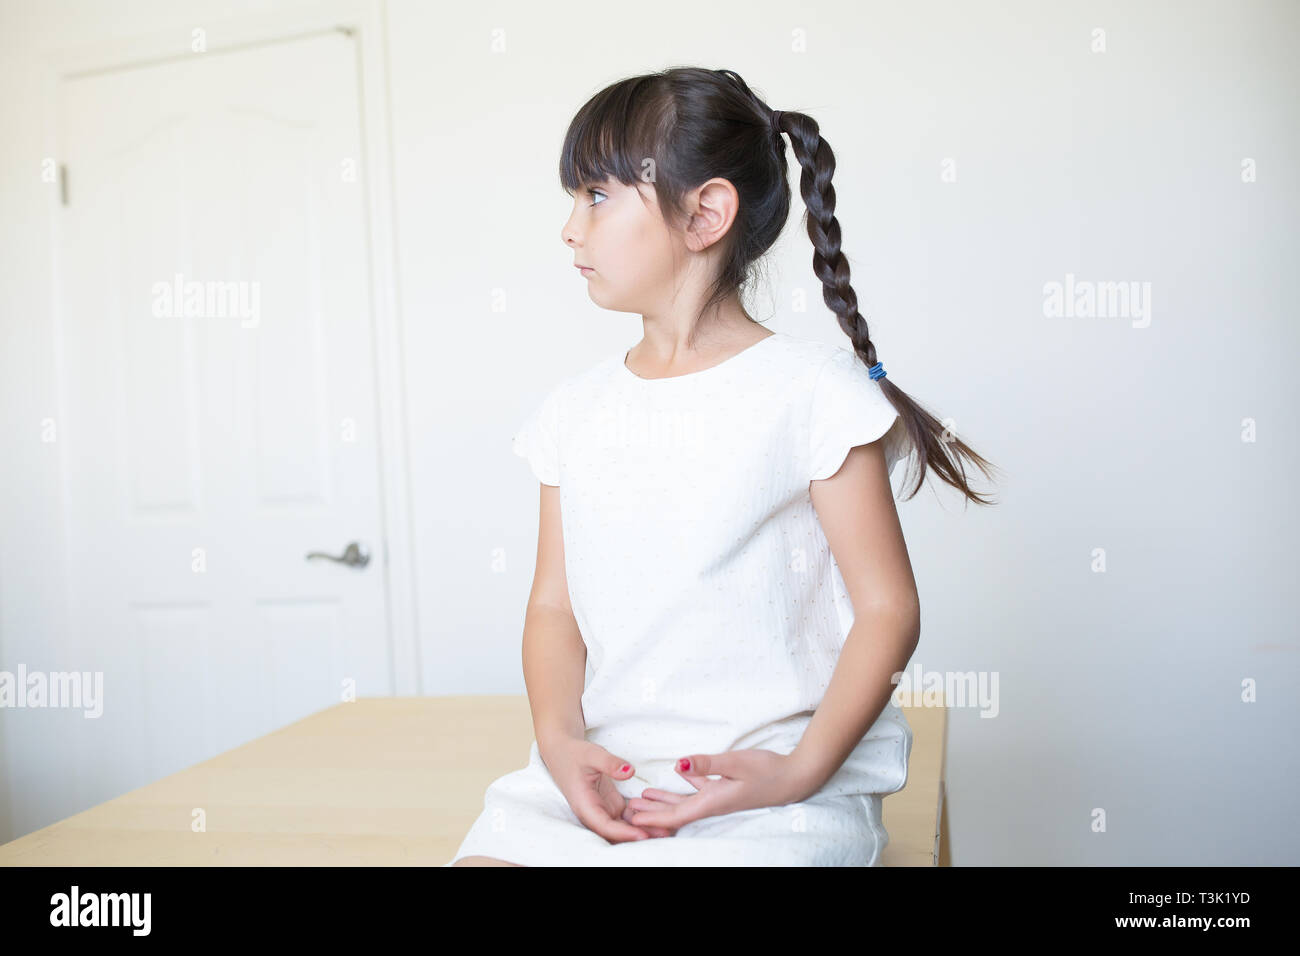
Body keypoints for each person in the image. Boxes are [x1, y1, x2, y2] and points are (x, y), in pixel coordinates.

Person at [448, 67, 997, 866]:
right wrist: (560, 742)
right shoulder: (572, 413)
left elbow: (888, 611)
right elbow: (554, 608)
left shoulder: (813, 396)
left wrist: (796, 772)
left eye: (596, 196)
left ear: (705, 214)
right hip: (612, 773)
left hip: (773, 796)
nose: (571, 229)